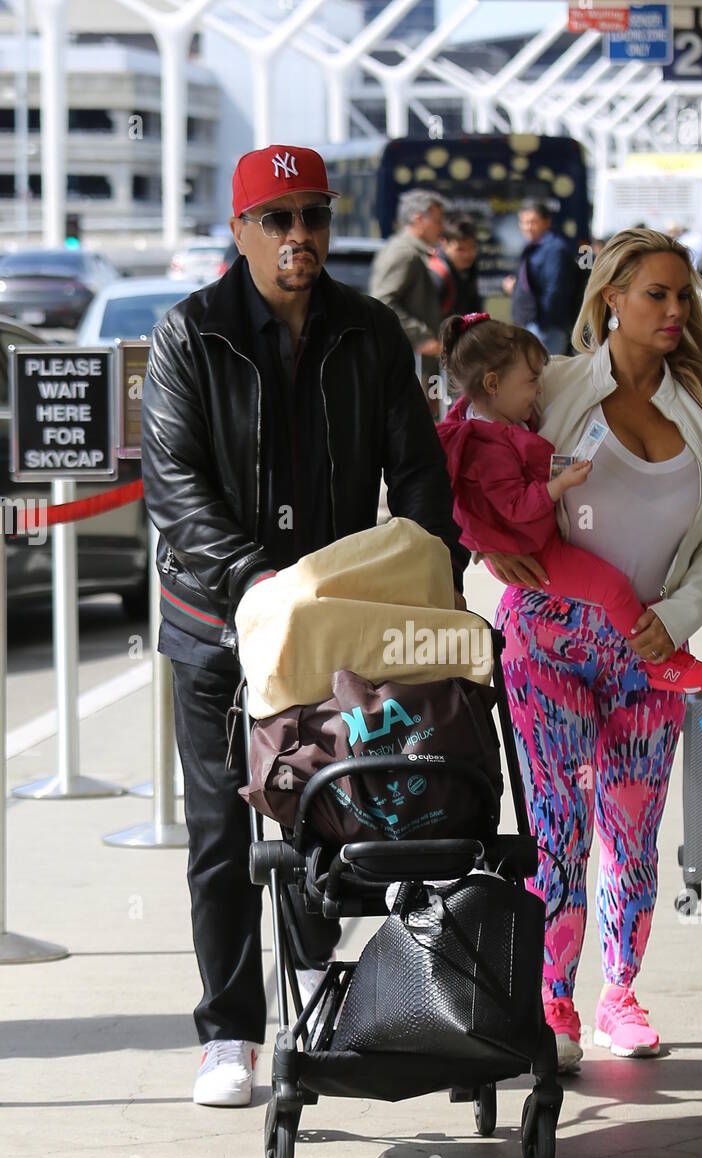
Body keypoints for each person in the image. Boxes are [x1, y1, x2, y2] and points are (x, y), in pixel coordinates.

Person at [141, 144, 467, 1108]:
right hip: (215, 622)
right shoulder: (188, 335)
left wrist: (419, 568)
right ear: (238, 232)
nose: (300, 237)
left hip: (332, 628)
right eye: (278, 219)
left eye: (314, 216)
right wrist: (253, 579)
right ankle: (230, 1032)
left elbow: (416, 471)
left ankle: (322, 985)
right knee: (221, 833)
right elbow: (175, 486)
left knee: (334, 808)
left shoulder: (370, 333)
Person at [480, 229, 702, 1069]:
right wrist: (492, 544)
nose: (676, 310)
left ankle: (620, 994)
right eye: (657, 294)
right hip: (552, 639)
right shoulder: (554, 389)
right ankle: (553, 999)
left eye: (686, 297)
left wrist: (679, 615)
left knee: (634, 827)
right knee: (561, 822)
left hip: (653, 648)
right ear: (611, 296)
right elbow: (478, 463)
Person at [437, 311, 702, 696]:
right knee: (613, 588)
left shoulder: (488, 412)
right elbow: (515, 506)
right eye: (532, 381)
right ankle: (659, 663)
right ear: (493, 383)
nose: (540, 389)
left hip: (535, 545)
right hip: (536, 554)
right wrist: (558, 486)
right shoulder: (490, 444)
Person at [368, 188, 446, 366]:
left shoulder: (413, 252)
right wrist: (419, 337)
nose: (441, 228)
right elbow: (381, 302)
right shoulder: (403, 253)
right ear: (418, 219)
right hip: (408, 361)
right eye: (437, 221)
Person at [502, 199, 583, 354]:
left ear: (546, 222)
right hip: (529, 324)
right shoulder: (531, 247)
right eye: (524, 222)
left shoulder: (554, 249)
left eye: (533, 222)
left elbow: (555, 289)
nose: (528, 227)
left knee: (546, 374)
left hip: (545, 328)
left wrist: (544, 323)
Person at [429, 212, 483, 318]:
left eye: (472, 247)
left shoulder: (470, 267)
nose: (468, 255)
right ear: (444, 243)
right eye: (460, 249)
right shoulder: (436, 273)